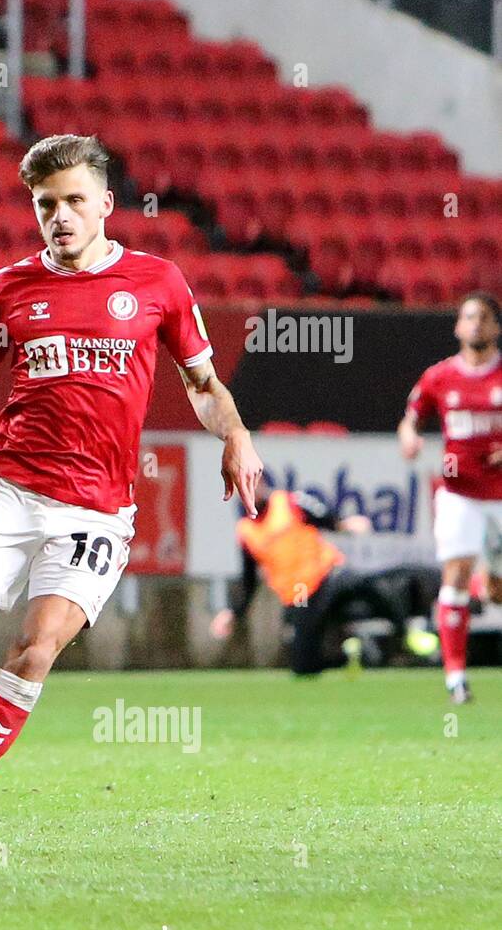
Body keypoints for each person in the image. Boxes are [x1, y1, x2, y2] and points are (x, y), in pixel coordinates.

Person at [0, 133, 263, 853]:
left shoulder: (159, 283)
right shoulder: (11, 289)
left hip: (97, 512)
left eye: (75, 201)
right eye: (47, 205)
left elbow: (202, 385)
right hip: (8, 490)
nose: (61, 217)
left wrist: (236, 434)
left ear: (105, 204)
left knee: (35, 649)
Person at [398, 291, 502, 704]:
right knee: (456, 573)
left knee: (496, 592)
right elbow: (411, 418)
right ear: (458, 327)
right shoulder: (439, 377)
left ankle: (488, 583)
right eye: (467, 317)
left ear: (496, 327)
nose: (474, 324)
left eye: (483, 317)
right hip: (459, 493)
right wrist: (409, 438)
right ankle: (456, 676)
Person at [210, 477, 426, 675]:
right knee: (303, 666)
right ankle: (354, 656)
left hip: (327, 575)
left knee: (372, 585)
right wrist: (233, 612)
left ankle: (408, 632)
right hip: (300, 596)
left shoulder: (287, 502)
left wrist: (344, 524)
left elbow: (322, 517)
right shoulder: (246, 531)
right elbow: (248, 580)